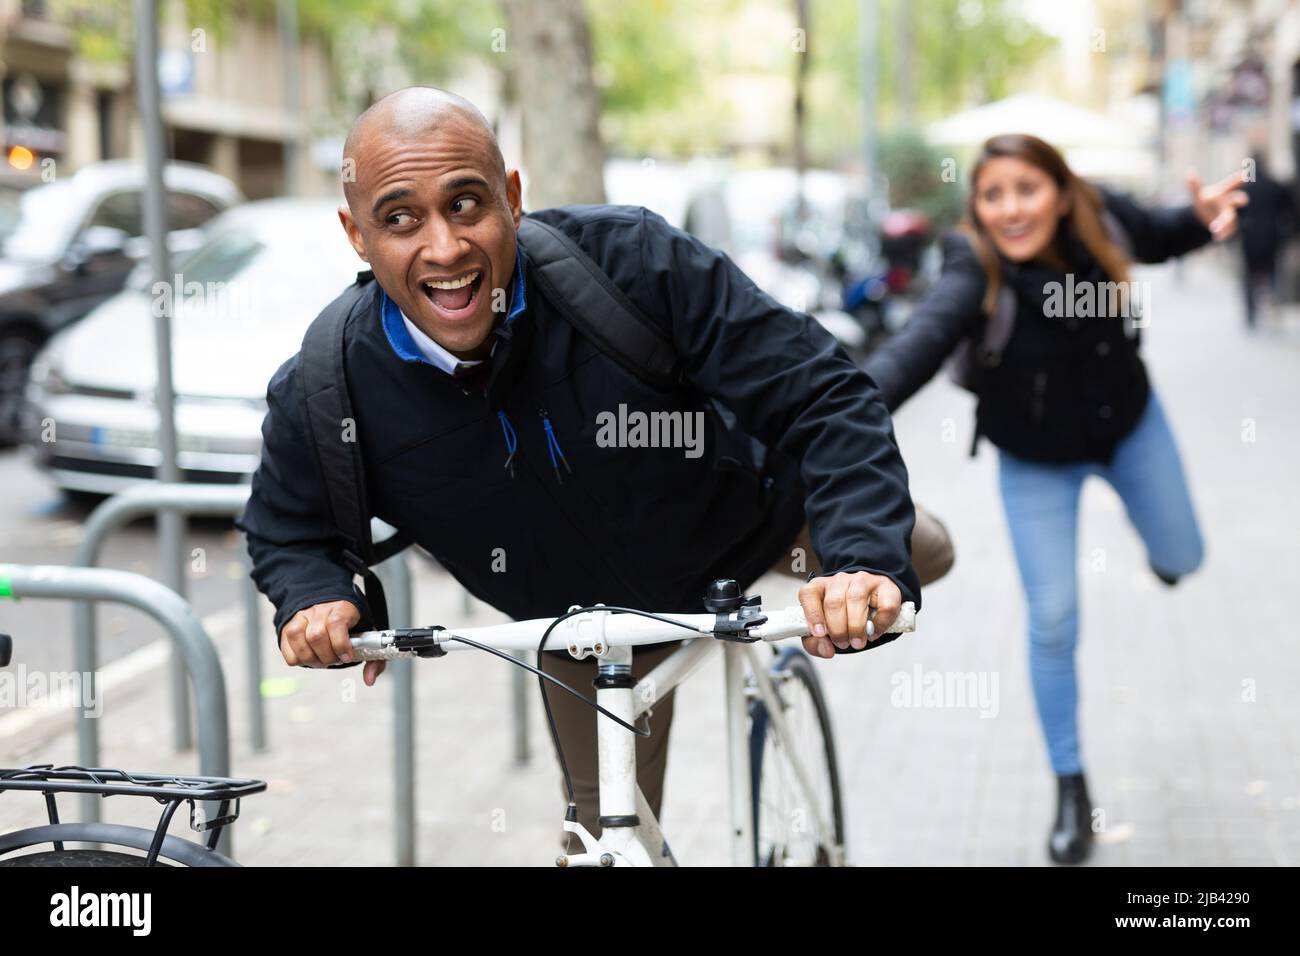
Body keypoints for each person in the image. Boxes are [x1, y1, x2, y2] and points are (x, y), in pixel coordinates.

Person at [236, 87, 953, 848]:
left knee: (917, 552)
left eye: (467, 203)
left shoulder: (629, 264)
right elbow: (285, 529)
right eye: (400, 218)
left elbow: (823, 393)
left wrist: (863, 558)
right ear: (356, 235)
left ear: (512, 197)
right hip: (586, 626)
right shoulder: (328, 383)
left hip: (748, 523)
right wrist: (313, 598)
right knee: (606, 844)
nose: (444, 248)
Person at [862, 133, 1247, 864]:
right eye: (993, 194)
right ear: (975, 204)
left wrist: (1200, 219)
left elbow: (1164, 235)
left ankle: (1163, 555)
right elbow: (919, 344)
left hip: (1130, 430)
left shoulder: (1099, 215)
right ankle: (1071, 786)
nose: (1011, 209)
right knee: (1052, 619)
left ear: (1062, 191)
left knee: (1185, 555)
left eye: (1027, 189)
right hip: (1034, 459)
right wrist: (839, 411)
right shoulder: (971, 264)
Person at [1236, 154, 1296, 328]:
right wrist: (1288, 233)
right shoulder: (1274, 186)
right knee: (1273, 273)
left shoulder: (1245, 189)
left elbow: (1235, 215)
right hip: (1272, 237)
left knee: (1249, 275)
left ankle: (1251, 313)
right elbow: (1291, 211)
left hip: (1249, 238)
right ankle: (1274, 306)